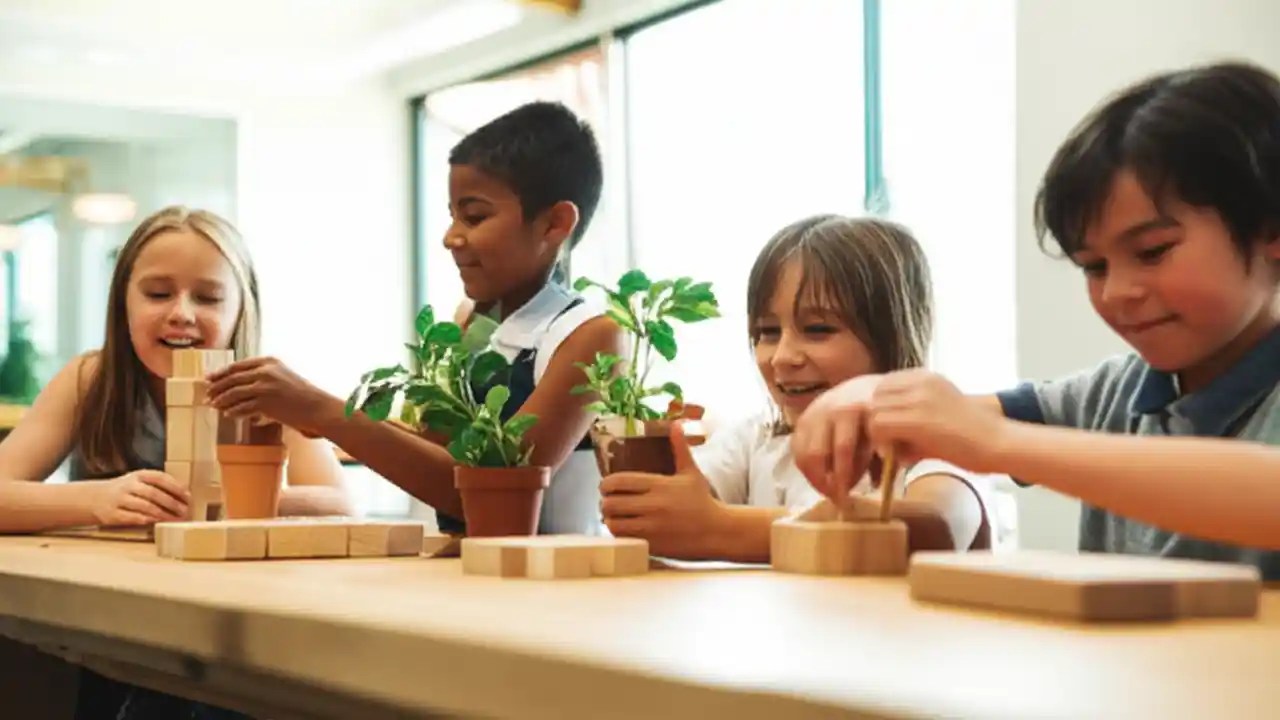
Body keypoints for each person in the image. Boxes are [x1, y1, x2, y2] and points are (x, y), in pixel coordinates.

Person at [792, 61, 1280, 577]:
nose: (1117, 293)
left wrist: (997, 443)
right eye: (1093, 267)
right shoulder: (1115, 394)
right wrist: (869, 397)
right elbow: (958, 414)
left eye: (1153, 251)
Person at [206, 101, 625, 535]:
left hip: (548, 585)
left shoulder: (591, 336)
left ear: (555, 224)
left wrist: (323, 411)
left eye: (475, 216)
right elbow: (438, 455)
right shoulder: (472, 321)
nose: (451, 237)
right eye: (452, 216)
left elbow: (487, 495)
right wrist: (309, 409)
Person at [0, 205, 351, 719]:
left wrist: (227, 496)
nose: (182, 313)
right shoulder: (90, 380)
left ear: (241, 310)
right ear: (124, 302)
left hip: (233, 627)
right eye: (158, 293)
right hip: (115, 626)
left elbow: (337, 501)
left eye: (208, 297)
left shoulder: (267, 388)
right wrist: (99, 498)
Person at [600, 215, 991, 561]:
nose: (782, 356)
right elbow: (686, 505)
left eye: (818, 330)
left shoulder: (936, 443)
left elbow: (937, 527)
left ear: (893, 337)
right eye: (767, 332)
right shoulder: (757, 440)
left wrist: (721, 527)